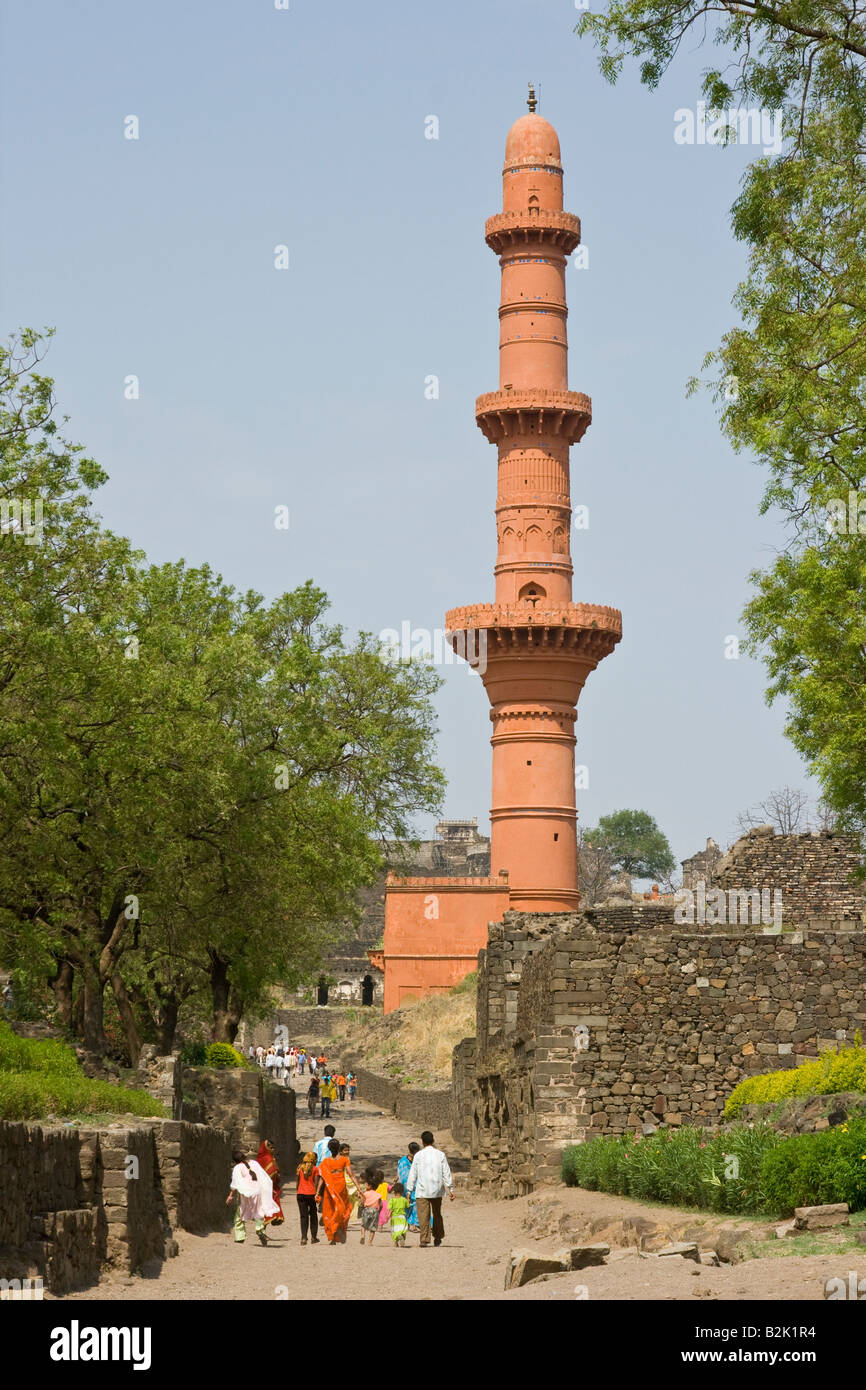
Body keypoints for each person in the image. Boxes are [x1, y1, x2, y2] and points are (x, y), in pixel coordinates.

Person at [405, 1131, 454, 1248]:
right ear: (433, 1141)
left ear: (422, 1142)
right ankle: (438, 1237)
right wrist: (450, 1189)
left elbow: (413, 1174)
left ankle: (424, 1239)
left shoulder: (418, 1156)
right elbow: (446, 1172)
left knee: (423, 1215)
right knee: (437, 1214)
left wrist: (409, 1190)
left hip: (422, 1190)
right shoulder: (440, 1155)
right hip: (437, 1190)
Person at [226, 1147, 279, 1246]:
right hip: (258, 1192)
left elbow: (235, 1183)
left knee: (239, 1215)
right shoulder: (254, 1163)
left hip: (247, 1194)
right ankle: (260, 1230)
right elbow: (263, 1176)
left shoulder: (238, 1168)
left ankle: (240, 1237)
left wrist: (230, 1196)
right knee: (259, 1212)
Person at [316, 1138, 357, 1245]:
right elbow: (351, 1175)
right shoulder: (344, 1160)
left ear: (329, 1149)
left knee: (331, 1210)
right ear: (339, 1148)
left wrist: (317, 1192)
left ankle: (333, 1235)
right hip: (341, 1187)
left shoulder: (326, 1161)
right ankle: (338, 1231)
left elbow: (322, 1178)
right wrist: (358, 1189)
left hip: (330, 1189)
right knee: (341, 1210)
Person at [256, 1139, 284, 1227]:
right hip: (268, 1187)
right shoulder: (269, 1159)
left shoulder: (259, 1159)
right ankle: (261, 1228)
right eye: (271, 1148)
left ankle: (262, 1229)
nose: (273, 1150)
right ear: (267, 1148)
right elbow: (272, 1172)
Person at [295, 1151, 320, 1245]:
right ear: (314, 1159)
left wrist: (298, 1191)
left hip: (301, 1194)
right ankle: (314, 1237)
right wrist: (317, 1193)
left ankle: (304, 1238)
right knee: (313, 1215)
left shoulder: (300, 1167)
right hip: (312, 1194)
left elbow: (297, 1182)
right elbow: (316, 1183)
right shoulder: (315, 1169)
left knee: (303, 1216)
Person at [397, 1141, 421, 1231]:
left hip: (416, 1186)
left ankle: (414, 1224)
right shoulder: (403, 1161)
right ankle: (407, 1223)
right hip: (406, 1187)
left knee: (415, 1205)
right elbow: (400, 1173)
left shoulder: (416, 1160)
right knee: (407, 1205)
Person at [359, 1173, 383, 1245]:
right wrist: (379, 1210)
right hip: (375, 1211)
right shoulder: (378, 1194)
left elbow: (362, 1202)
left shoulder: (365, 1193)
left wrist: (361, 1198)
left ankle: (363, 1235)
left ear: (370, 1186)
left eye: (366, 1185)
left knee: (363, 1225)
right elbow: (381, 1204)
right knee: (373, 1228)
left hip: (367, 1210)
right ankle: (370, 1242)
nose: (365, 1186)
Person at [387, 1182, 409, 1248]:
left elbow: (389, 1209)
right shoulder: (404, 1200)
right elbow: (407, 1206)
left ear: (394, 1191)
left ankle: (396, 1243)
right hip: (402, 1217)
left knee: (394, 1230)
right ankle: (401, 1236)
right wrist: (408, 1200)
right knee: (402, 1229)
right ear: (402, 1191)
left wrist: (387, 1215)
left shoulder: (392, 1200)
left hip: (394, 1217)